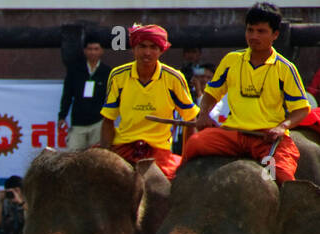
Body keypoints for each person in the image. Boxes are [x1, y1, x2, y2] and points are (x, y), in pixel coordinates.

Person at [184, 3, 310, 183]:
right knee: (194, 144)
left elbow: (301, 110)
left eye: (261, 31)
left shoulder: (286, 69)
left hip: (266, 139)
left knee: (281, 176)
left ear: (275, 34)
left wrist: (282, 127)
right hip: (233, 134)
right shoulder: (231, 60)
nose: (253, 36)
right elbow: (211, 93)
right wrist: (204, 113)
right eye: (250, 30)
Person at [99, 24, 197, 180]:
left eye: (153, 47)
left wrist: (187, 159)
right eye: (142, 46)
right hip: (123, 147)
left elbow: (190, 119)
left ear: (161, 50)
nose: (147, 52)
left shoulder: (174, 78)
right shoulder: (118, 75)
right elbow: (108, 120)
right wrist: (104, 156)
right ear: (133, 48)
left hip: (159, 151)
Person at [58, 37, 109, 150]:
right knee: (72, 154)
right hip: (78, 121)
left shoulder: (107, 72)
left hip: (98, 121)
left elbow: (112, 97)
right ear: (85, 51)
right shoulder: (75, 70)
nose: (93, 52)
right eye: (90, 49)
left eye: (96, 49)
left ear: (101, 51)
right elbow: (67, 94)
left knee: (96, 157)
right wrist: (62, 115)